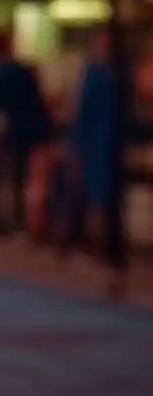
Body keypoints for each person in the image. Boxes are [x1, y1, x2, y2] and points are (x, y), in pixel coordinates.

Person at [69, 28, 126, 284]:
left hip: (107, 142)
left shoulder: (112, 74)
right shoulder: (99, 74)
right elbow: (84, 111)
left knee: (104, 194)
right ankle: (97, 245)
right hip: (97, 143)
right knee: (96, 195)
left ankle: (103, 245)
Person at [0, 32, 50, 234]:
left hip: (9, 133)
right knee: (18, 179)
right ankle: (17, 222)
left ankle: (2, 222)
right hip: (23, 133)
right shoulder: (19, 71)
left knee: (4, 178)